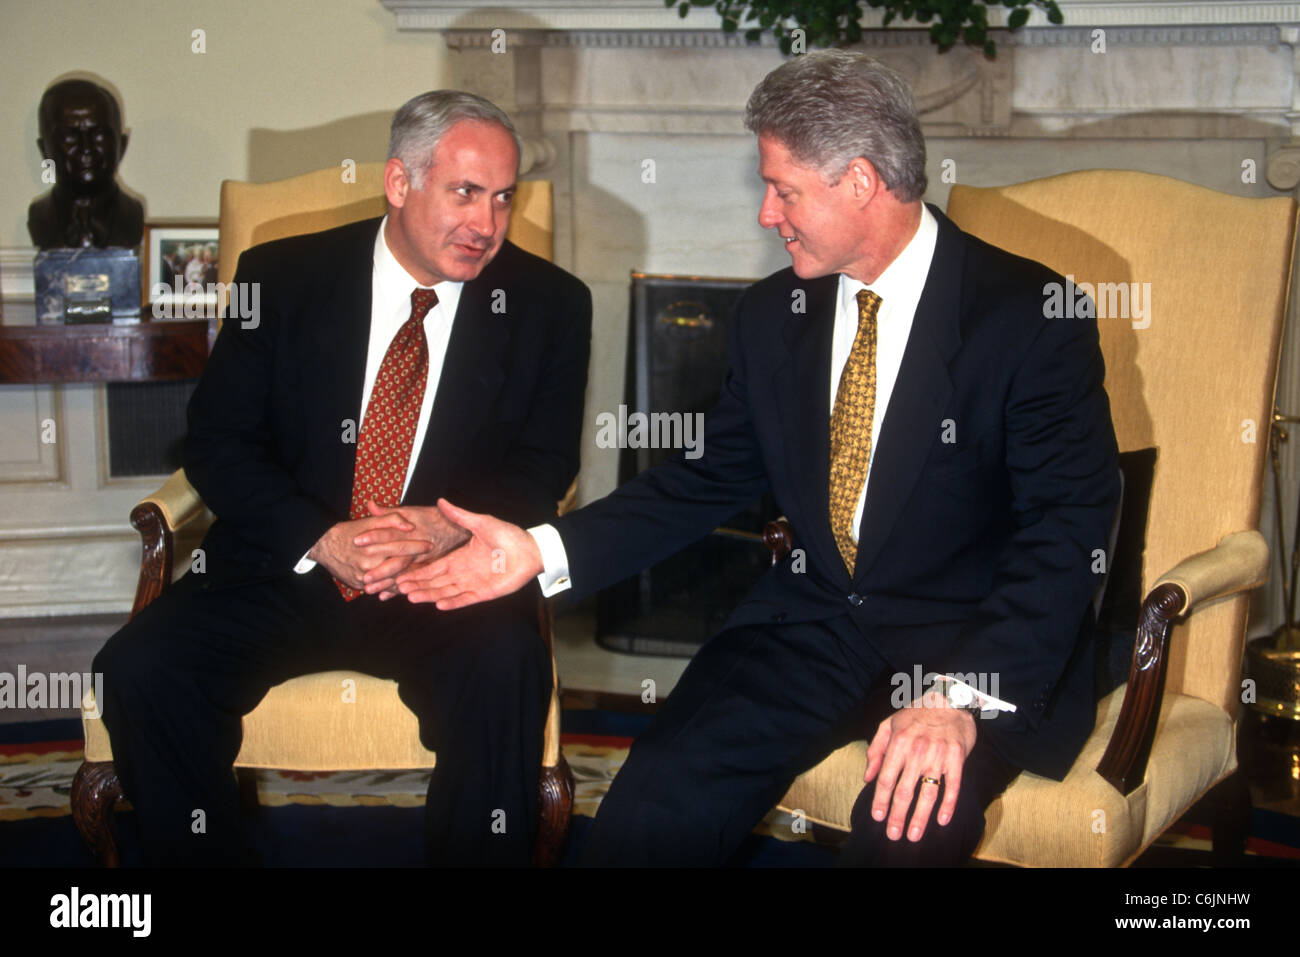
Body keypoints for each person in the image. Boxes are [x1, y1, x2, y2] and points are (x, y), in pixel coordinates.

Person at [397, 52, 1121, 866]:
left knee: (904, 833)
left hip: (966, 644)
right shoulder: (774, 314)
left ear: (859, 181)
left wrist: (958, 700)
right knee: (656, 796)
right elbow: (705, 477)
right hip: (809, 627)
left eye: (784, 190)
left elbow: (1068, 529)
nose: (766, 214)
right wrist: (540, 550)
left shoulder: (1030, 318)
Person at [93, 90, 592, 866]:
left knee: (507, 666)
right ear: (399, 182)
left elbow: (545, 464)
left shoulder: (552, 306)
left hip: (441, 578)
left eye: (502, 198)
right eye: (464, 193)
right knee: (142, 667)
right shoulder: (283, 279)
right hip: (284, 566)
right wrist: (321, 538)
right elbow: (218, 444)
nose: (486, 224)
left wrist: (447, 525)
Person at [28, 78, 144, 250]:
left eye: (99, 135)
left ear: (122, 145)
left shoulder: (133, 216)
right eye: (70, 136)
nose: (86, 148)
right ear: (44, 150)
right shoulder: (40, 216)